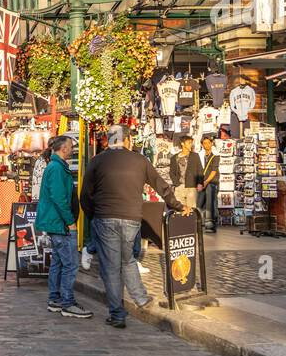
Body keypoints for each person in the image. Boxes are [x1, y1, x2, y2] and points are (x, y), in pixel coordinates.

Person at [81, 125, 191, 329]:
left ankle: (117, 314)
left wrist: (93, 216)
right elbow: (161, 185)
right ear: (128, 140)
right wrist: (177, 205)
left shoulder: (97, 161)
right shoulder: (140, 160)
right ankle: (140, 299)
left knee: (112, 267)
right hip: (132, 216)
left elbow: (85, 194)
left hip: (105, 217)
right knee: (128, 260)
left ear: (108, 140)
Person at [35, 135, 92, 319]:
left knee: (59, 262)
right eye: (70, 146)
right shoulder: (56, 168)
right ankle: (67, 302)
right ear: (63, 149)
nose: (73, 150)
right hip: (59, 223)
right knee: (70, 264)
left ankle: (55, 299)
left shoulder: (56, 166)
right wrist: (70, 221)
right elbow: (59, 197)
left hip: (56, 222)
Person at [168, 135, 200, 213]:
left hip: (191, 186)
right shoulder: (174, 158)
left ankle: (191, 225)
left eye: (191, 143)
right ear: (182, 143)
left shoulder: (195, 156)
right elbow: (171, 172)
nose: (190, 145)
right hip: (179, 187)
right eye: (189, 143)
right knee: (180, 210)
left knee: (191, 210)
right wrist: (177, 184)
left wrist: (199, 183)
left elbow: (200, 170)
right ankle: (181, 225)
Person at [196, 135, 220, 233]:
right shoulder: (200, 155)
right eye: (204, 143)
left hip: (212, 182)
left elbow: (214, 171)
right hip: (202, 182)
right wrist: (199, 182)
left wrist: (206, 182)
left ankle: (210, 225)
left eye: (208, 143)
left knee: (211, 203)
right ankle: (199, 223)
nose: (207, 145)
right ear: (202, 144)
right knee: (199, 204)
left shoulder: (215, 156)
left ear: (211, 143)